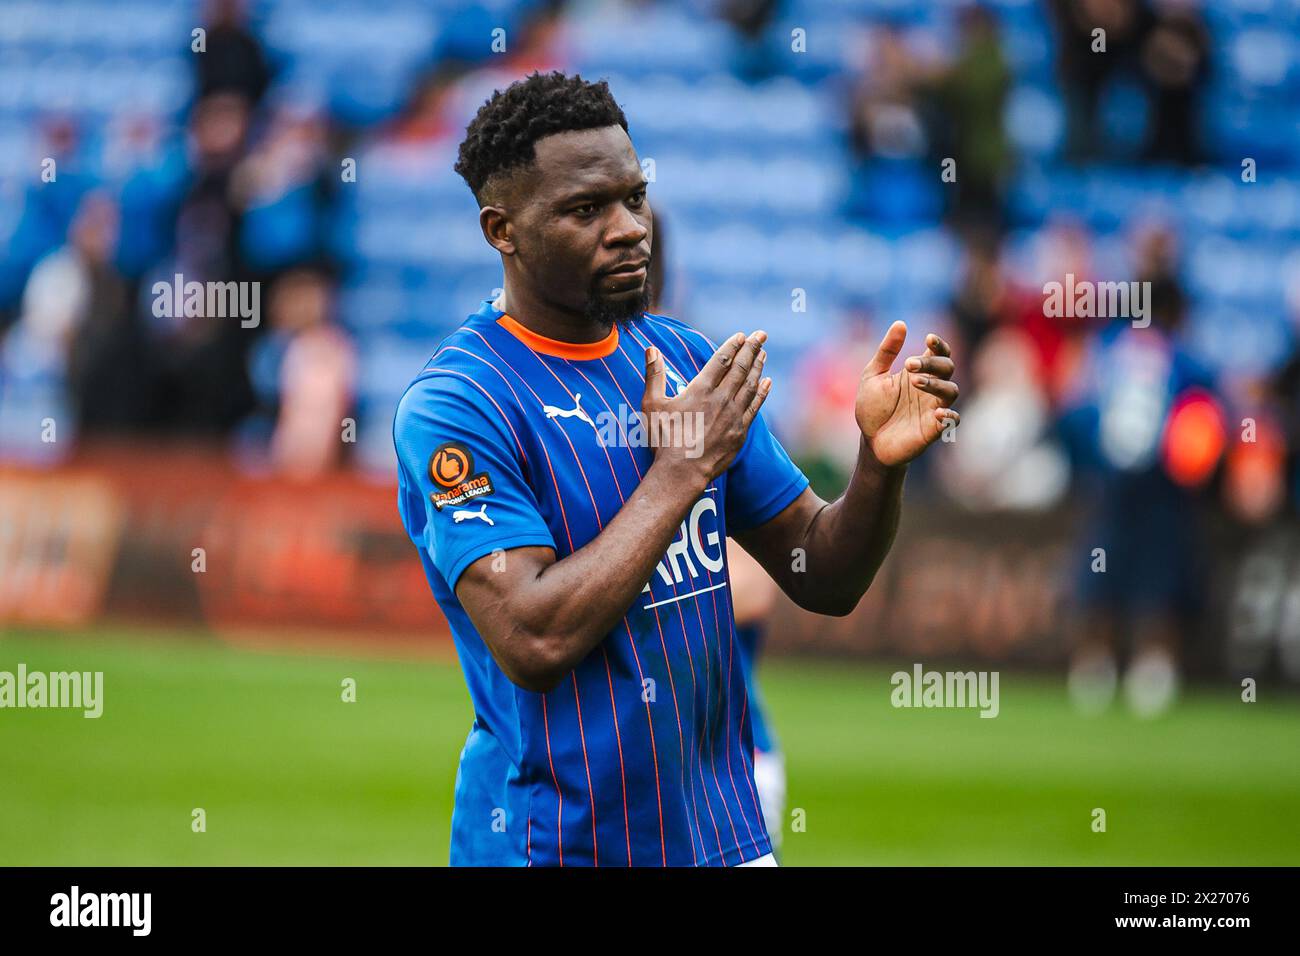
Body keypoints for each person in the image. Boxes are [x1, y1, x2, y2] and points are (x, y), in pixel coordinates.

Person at [392, 72, 959, 866]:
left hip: (723, 838)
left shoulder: (685, 357)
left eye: (634, 197)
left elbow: (823, 574)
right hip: (554, 845)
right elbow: (533, 637)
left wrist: (878, 466)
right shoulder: (458, 404)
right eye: (587, 209)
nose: (629, 229)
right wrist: (680, 473)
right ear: (502, 230)